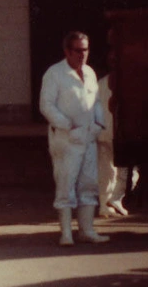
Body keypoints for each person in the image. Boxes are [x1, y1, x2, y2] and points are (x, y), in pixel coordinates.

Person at [39, 31, 109, 246]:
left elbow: (96, 101)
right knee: (65, 184)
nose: (82, 54)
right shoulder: (55, 73)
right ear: (67, 51)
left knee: (88, 184)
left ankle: (87, 231)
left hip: (88, 138)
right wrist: (67, 125)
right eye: (77, 50)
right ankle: (66, 234)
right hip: (66, 140)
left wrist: (98, 123)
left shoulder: (89, 72)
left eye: (85, 50)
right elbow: (46, 105)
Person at [97, 73, 130, 217]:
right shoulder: (101, 83)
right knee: (110, 171)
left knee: (117, 170)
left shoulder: (127, 80)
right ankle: (110, 202)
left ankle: (112, 201)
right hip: (108, 132)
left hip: (113, 132)